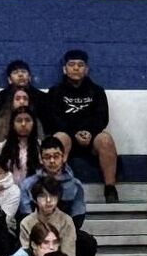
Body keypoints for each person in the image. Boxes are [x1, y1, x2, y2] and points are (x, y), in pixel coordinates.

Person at [46, 49, 121, 203]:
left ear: (86, 69)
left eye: (80, 65)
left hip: (91, 138)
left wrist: (89, 132)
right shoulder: (55, 91)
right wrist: (75, 133)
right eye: (72, 64)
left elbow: (102, 118)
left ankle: (110, 189)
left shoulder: (97, 91)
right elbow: (53, 119)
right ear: (64, 69)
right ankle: (54, 187)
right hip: (68, 137)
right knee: (59, 138)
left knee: (106, 139)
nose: (76, 68)